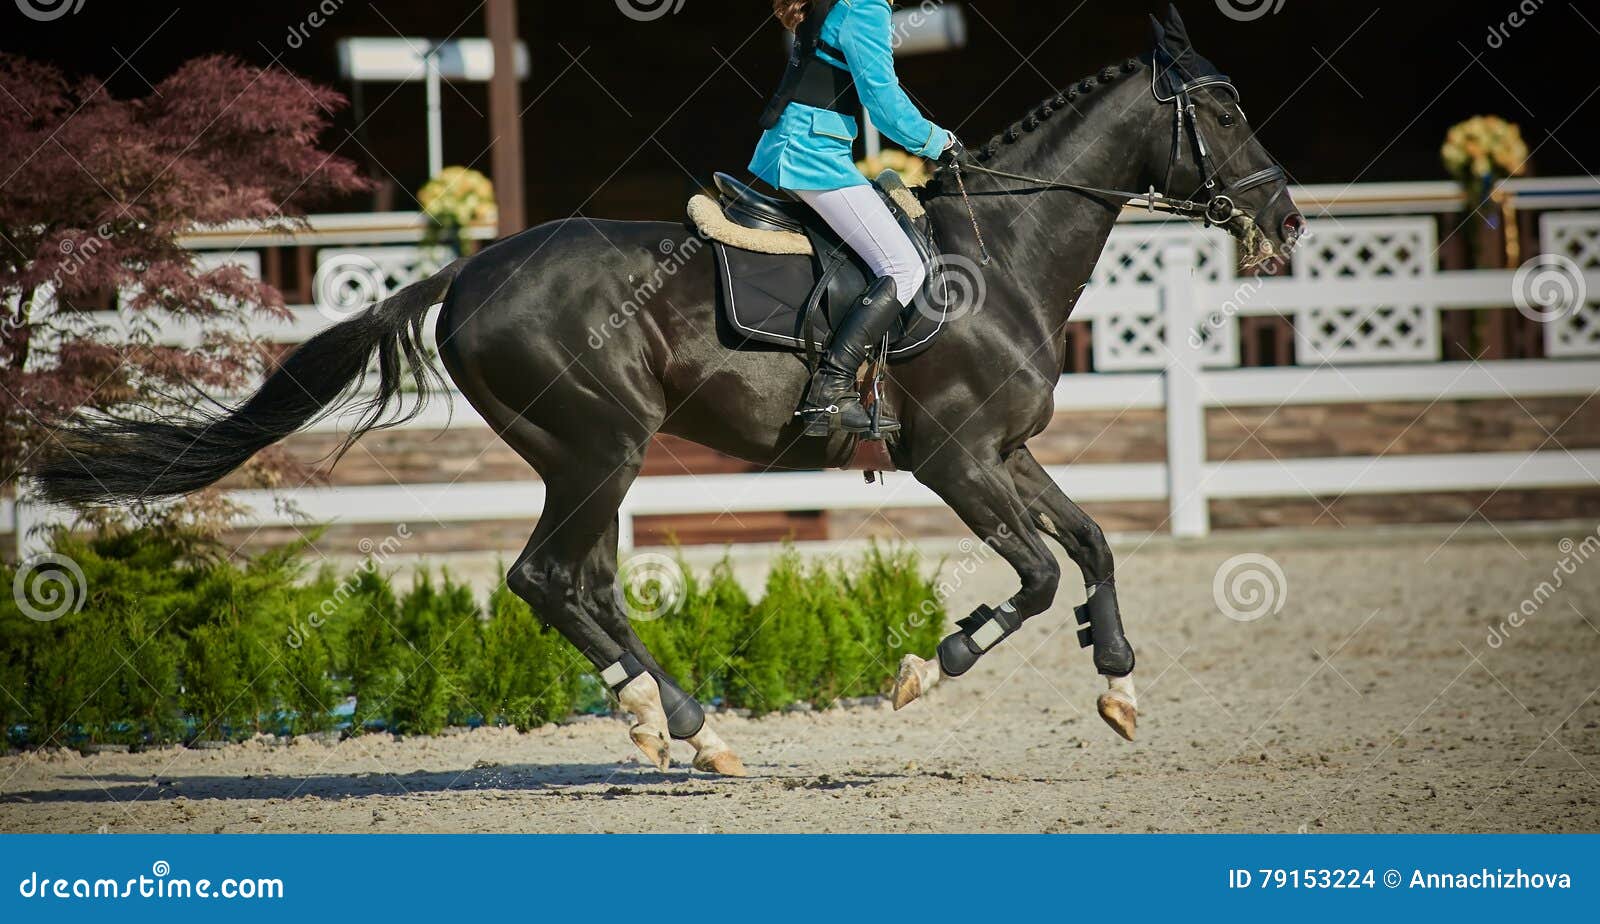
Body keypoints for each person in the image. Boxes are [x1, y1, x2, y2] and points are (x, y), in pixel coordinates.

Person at [751, 0, 962, 436]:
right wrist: (941, 143)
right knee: (904, 268)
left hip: (796, 143)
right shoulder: (864, 6)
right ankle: (830, 389)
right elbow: (883, 104)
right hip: (813, 154)